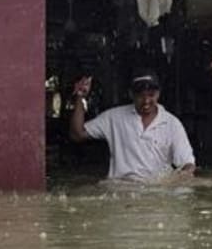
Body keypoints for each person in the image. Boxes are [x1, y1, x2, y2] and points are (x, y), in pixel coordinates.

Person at [68, 70, 196, 183]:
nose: (146, 101)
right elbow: (77, 134)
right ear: (131, 94)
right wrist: (80, 96)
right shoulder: (114, 117)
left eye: (151, 95)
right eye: (140, 96)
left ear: (158, 94)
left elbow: (188, 164)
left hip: (157, 196)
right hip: (120, 191)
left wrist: (175, 182)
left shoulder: (172, 124)